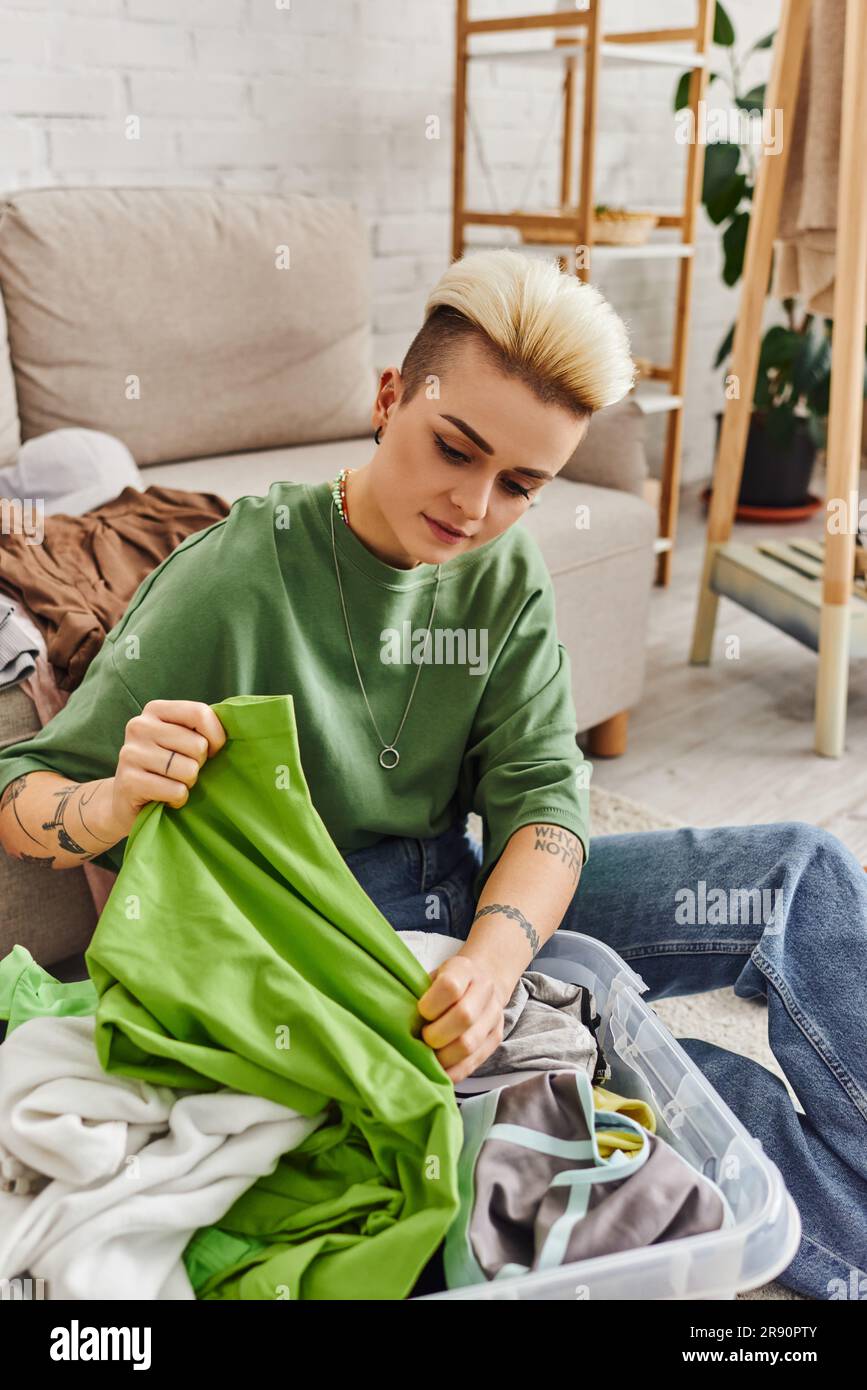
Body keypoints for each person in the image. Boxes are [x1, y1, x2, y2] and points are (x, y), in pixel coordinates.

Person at [0, 249, 864, 1300]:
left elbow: (545, 799)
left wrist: (497, 959)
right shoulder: (229, 578)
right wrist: (109, 801)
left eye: (521, 484)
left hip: (470, 883)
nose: (475, 505)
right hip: (327, 930)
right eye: (455, 448)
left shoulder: (503, 572)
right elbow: (21, 790)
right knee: (692, 1087)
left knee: (799, 870)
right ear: (388, 398)